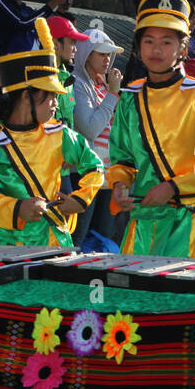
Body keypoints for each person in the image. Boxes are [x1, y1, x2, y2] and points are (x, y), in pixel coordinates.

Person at [107, 0, 195, 258]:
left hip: (185, 221)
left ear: (183, 48)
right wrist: (119, 184)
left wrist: (175, 187)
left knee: (177, 300)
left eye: (166, 41)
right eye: (149, 40)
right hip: (141, 220)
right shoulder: (130, 97)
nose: (156, 49)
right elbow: (122, 158)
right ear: (138, 47)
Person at [0, 17, 103, 247]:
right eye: (48, 95)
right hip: (5, 249)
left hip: (53, 244)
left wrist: (80, 199)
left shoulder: (60, 134)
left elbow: (95, 167)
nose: (55, 103)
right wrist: (17, 209)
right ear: (25, 96)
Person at [71, 27, 124, 245]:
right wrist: (112, 94)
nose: (107, 59)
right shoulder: (77, 83)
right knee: (79, 239)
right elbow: (90, 128)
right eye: (101, 53)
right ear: (86, 53)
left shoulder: (102, 84)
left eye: (109, 54)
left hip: (107, 175)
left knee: (102, 241)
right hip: (84, 173)